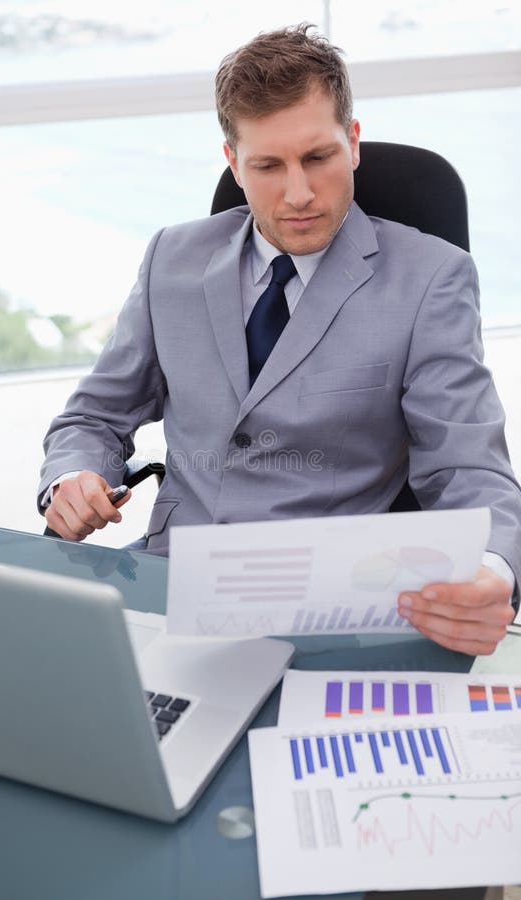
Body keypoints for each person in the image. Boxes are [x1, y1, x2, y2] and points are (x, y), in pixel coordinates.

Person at [39, 23, 520, 656]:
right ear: (233, 163)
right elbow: (95, 414)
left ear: (352, 143)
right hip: (173, 578)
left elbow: (468, 465)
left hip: (332, 602)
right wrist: (74, 475)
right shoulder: (170, 259)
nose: (299, 194)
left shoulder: (431, 278)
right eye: (268, 165)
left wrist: (493, 570)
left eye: (318, 157)